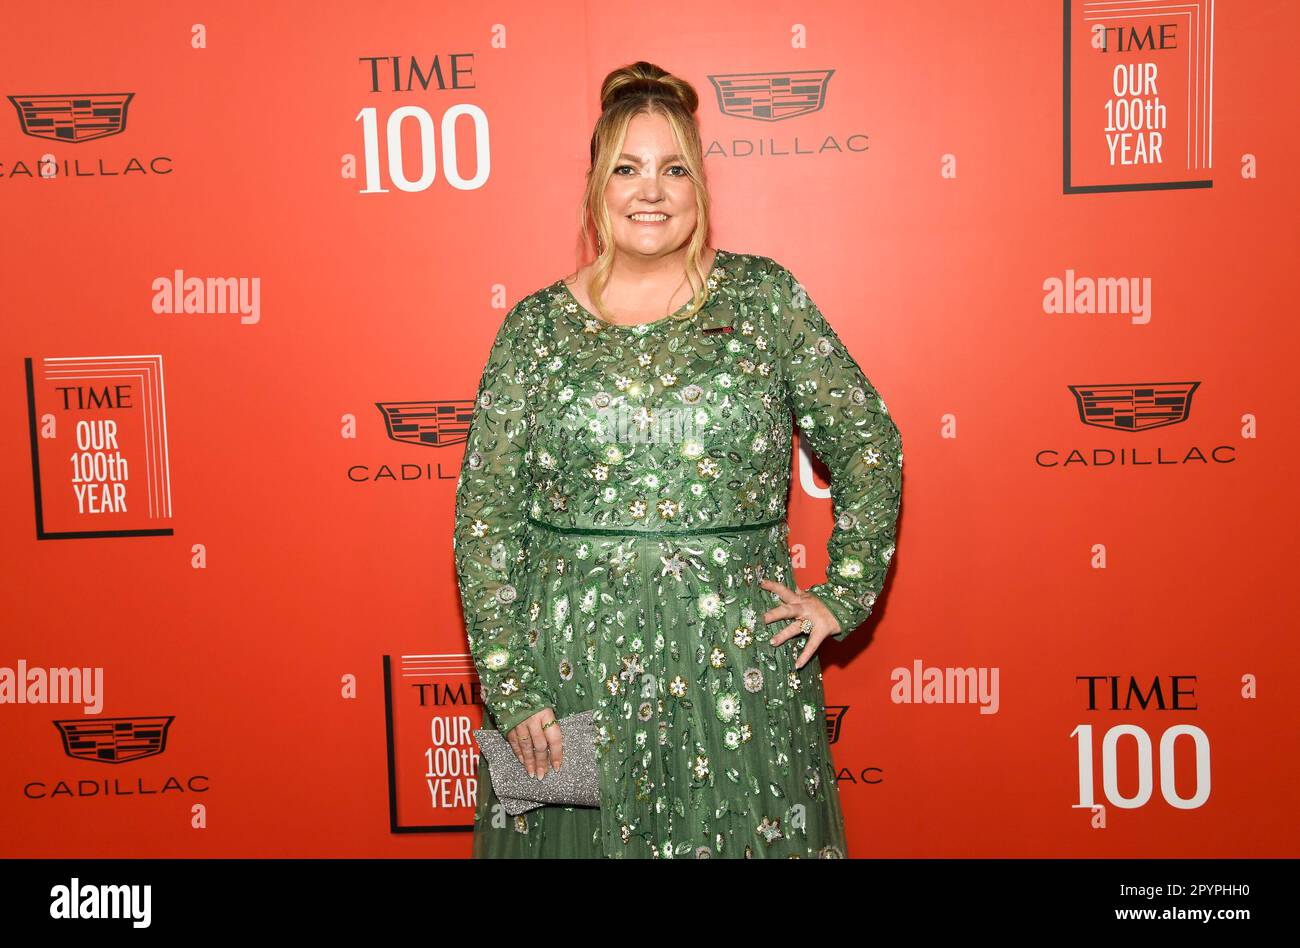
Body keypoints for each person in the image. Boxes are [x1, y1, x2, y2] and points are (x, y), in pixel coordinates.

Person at [452, 61, 903, 858]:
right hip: (565, 677)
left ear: (700, 188)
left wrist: (845, 594)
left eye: (673, 169)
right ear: (596, 186)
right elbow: (484, 516)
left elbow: (869, 442)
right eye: (627, 168)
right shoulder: (533, 329)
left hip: (738, 671)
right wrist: (513, 685)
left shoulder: (764, 301)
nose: (649, 190)